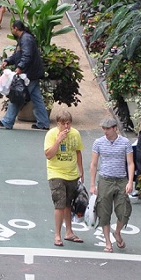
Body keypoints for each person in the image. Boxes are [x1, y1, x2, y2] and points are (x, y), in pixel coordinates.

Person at [89, 115, 134, 252]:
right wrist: (92, 184)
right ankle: (108, 243)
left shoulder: (125, 143)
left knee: (124, 211)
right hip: (105, 180)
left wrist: (130, 182)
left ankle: (117, 232)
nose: (105, 131)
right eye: (103, 128)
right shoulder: (98, 142)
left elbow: (130, 163)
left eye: (108, 128)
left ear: (115, 128)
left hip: (121, 180)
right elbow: (94, 164)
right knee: (104, 211)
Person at [0, 19, 49, 130]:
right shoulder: (25, 38)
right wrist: (7, 61)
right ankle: (43, 123)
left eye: (12, 28)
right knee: (36, 99)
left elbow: (26, 56)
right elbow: (18, 55)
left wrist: (20, 67)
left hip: (29, 74)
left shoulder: (26, 39)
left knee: (17, 96)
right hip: (32, 73)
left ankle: (7, 121)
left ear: (15, 28)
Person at [44, 106, 84, 247]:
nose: (66, 126)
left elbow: (78, 152)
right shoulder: (51, 134)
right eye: (63, 124)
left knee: (68, 205)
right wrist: (58, 141)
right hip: (56, 173)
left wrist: (81, 171)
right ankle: (57, 234)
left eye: (68, 123)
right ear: (58, 124)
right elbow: (48, 155)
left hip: (72, 174)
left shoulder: (75, 134)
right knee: (59, 204)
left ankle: (69, 232)